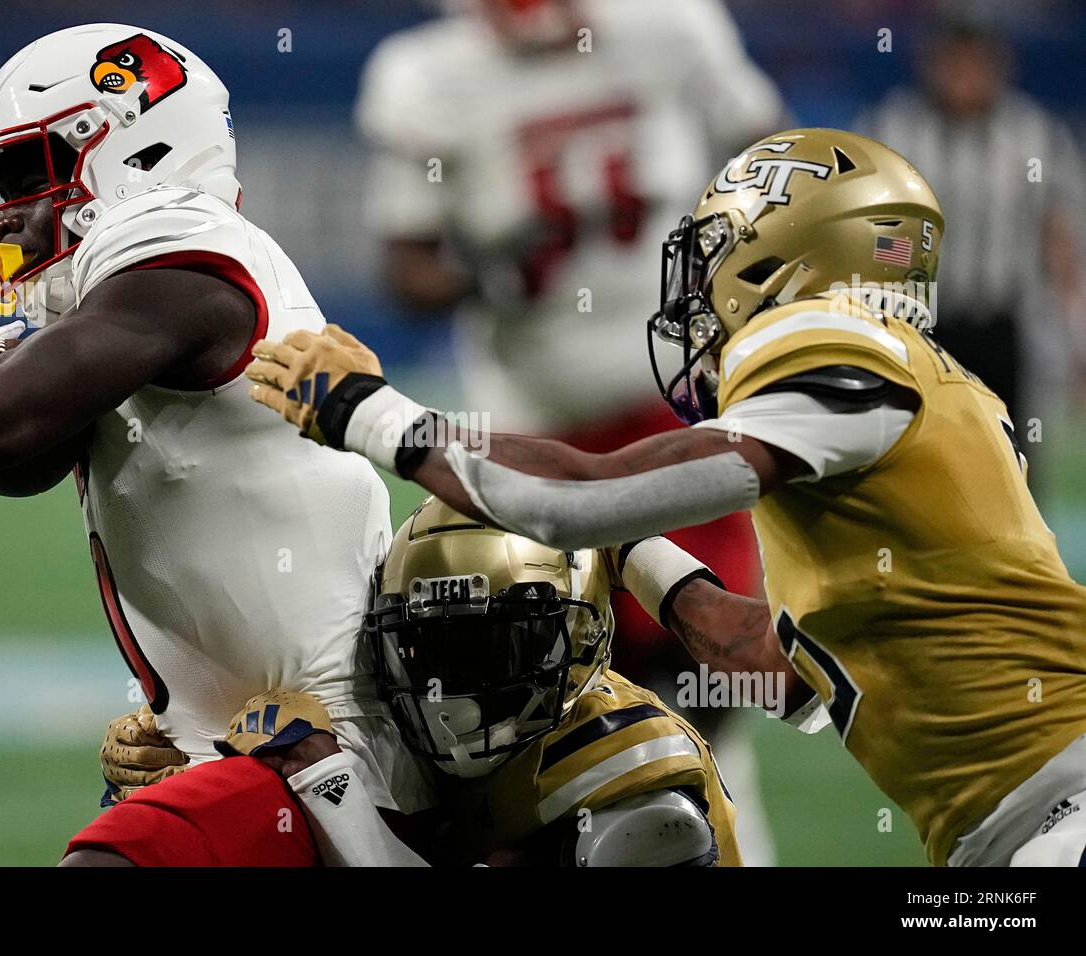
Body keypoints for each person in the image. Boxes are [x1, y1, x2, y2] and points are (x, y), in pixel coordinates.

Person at [245, 127, 1086, 866]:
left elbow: (584, 495)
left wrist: (366, 412)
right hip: (1026, 816)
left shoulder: (826, 333)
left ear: (790, 256)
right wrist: (631, 555)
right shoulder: (933, 397)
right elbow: (775, 670)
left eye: (719, 251)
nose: (699, 287)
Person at [0, 23, 431, 864]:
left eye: (32, 173)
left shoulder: (181, 244)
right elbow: (21, 465)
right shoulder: (134, 296)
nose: (10, 214)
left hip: (323, 750)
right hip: (237, 750)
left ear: (135, 146)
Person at [356, 0, 786, 861]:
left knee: (702, 683)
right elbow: (407, 267)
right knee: (507, 697)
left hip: (676, 406)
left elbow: (775, 171)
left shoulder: (671, 27)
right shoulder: (430, 74)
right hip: (524, 424)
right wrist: (486, 265)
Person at [95, 497, 741, 866]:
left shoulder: (628, 776)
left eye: (495, 648)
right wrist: (191, 753)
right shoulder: (417, 729)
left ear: (577, 640)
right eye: (429, 647)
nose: (454, 691)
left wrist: (332, 789)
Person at [858, 6, 1086, 484]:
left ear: (1000, 65)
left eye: (976, 61)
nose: (964, 75)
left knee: (1013, 466)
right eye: (954, 60)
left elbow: (1059, 240)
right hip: (922, 328)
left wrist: (1075, 336)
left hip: (1005, 329)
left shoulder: (1033, 135)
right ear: (931, 62)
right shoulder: (892, 128)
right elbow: (867, 236)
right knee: (917, 466)